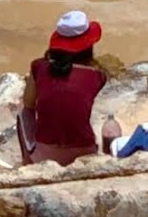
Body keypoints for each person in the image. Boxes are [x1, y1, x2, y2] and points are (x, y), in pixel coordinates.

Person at [21, 11, 108, 165]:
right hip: (85, 150)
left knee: (23, 114)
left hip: (46, 153)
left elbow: (28, 104)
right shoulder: (98, 76)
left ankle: (29, 162)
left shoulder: (39, 67)